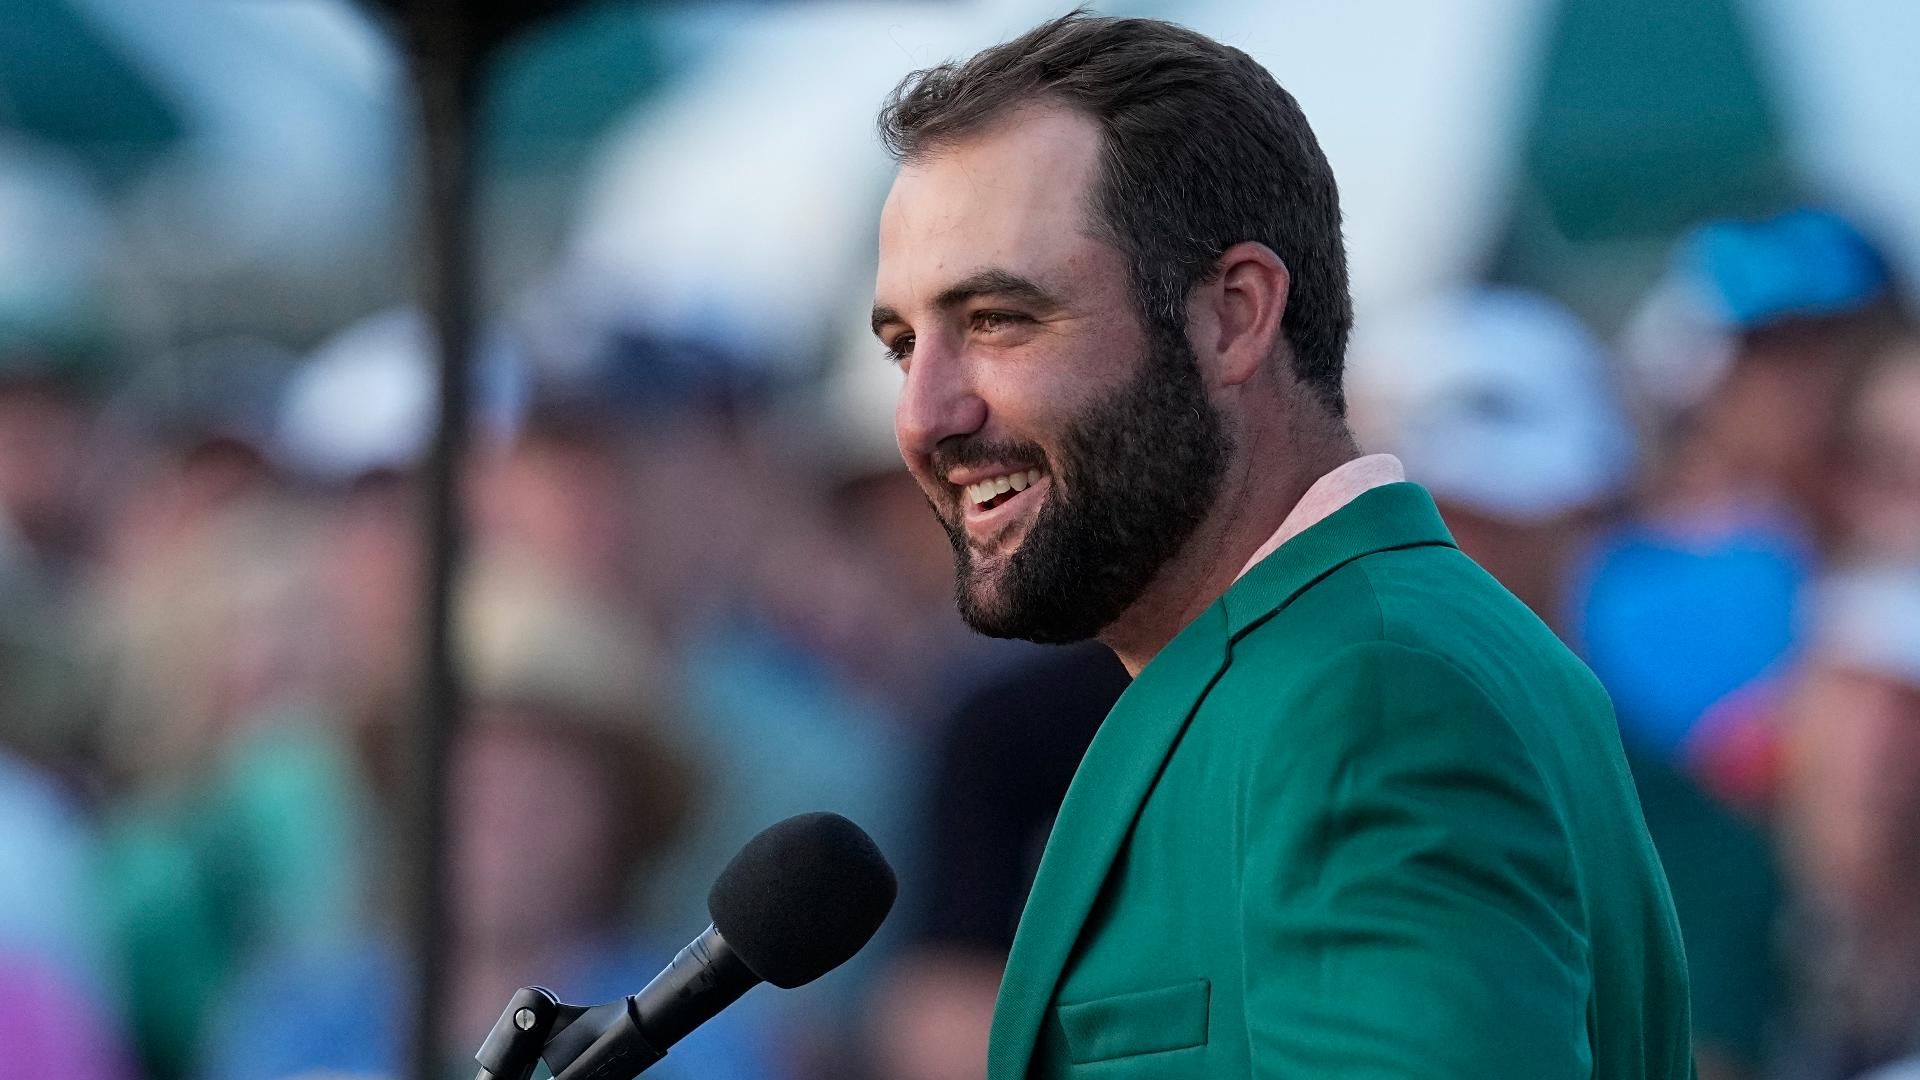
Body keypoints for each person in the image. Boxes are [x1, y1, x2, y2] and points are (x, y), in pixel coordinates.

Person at [868, 12, 1690, 1079]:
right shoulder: (1328, 668)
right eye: (901, 344)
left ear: (1233, 317)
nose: (924, 416)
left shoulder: (1373, 700)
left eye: (997, 319)